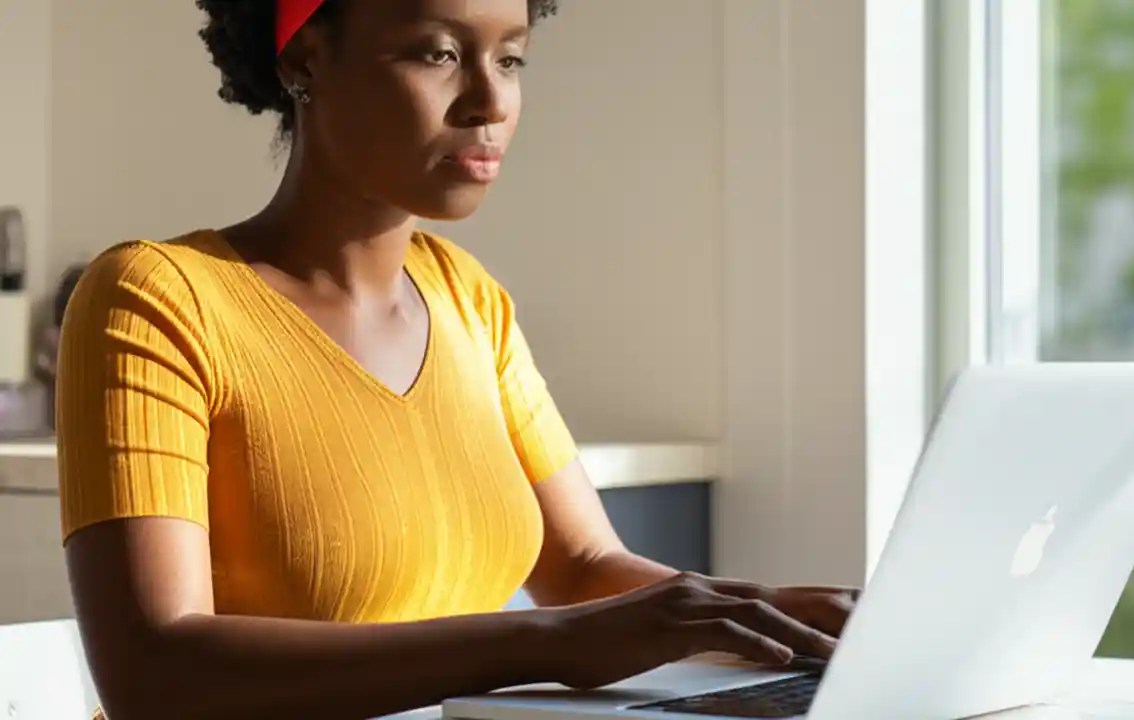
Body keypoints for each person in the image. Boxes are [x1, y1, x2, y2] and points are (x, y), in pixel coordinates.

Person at [56, 1, 857, 717]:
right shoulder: (154, 300)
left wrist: (764, 613)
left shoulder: (469, 298)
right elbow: (151, 673)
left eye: (510, 58)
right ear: (303, 56)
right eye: (437, 52)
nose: (490, 101)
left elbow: (580, 567)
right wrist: (537, 643)